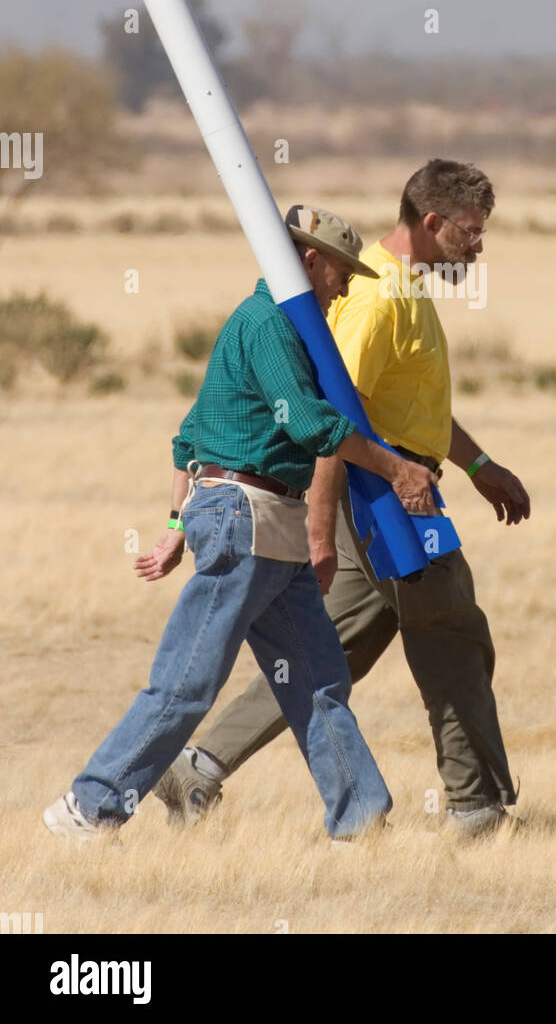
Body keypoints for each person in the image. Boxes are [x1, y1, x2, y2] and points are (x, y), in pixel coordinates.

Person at [155, 160, 531, 839]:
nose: (479, 247)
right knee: (453, 636)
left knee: (334, 649)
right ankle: (477, 810)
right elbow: (336, 414)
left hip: (394, 494)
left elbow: (408, 406)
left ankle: (196, 767)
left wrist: (476, 463)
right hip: (387, 502)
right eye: (471, 234)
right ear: (433, 223)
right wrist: (320, 531)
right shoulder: (381, 296)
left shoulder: (407, 288)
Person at [43, 205, 436, 845]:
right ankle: (89, 809)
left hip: (267, 524)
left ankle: (361, 822)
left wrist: (176, 524)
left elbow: (187, 438)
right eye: (340, 272)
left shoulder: (280, 327)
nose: (344, 286)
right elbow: (311, 426)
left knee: (319, 681)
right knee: (187, 682)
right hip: (243, 520)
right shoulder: (269, 325)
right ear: (310, 261)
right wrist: (396, 470)